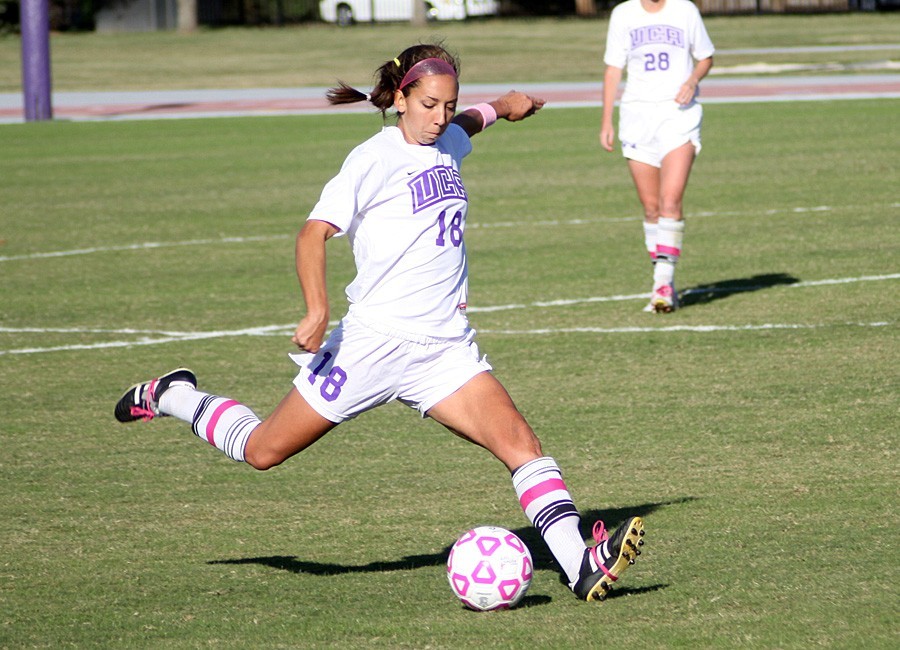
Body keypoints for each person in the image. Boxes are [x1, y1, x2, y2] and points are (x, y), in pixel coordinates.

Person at [115, 43, 645, 602]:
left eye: (447, 105)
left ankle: (577, 562)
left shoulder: (446, 141)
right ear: (400, 99)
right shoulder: (373, 158)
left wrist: (504, 106)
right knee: (262, 451)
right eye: (429, 105)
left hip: (443, 350)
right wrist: (317, 309)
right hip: (370, 346)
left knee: (520, 444)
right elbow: (312, 232)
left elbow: (468, 124)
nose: (439, 117)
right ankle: (174, 395)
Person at [600, 0, 715, 313]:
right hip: (637, 119)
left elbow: (705, 58)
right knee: (651, 208)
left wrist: (692, 80)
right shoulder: (623, 14)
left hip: (678, 116)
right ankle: (665, 281)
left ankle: (661, 284)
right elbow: (613, 69)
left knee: (669, 202)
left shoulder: (685, 10)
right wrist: (607, 120)